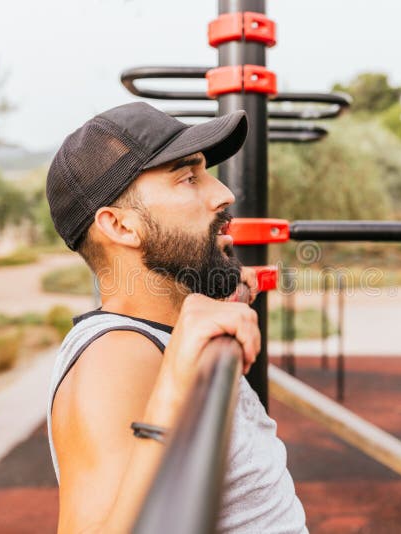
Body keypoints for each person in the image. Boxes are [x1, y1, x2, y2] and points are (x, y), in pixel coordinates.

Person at [45, 102, 307, 533]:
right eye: (188, 178)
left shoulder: (162, 334)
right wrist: (176, 379)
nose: (224, 193)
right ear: (122, 227)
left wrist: (218, 291)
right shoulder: (116, 358)